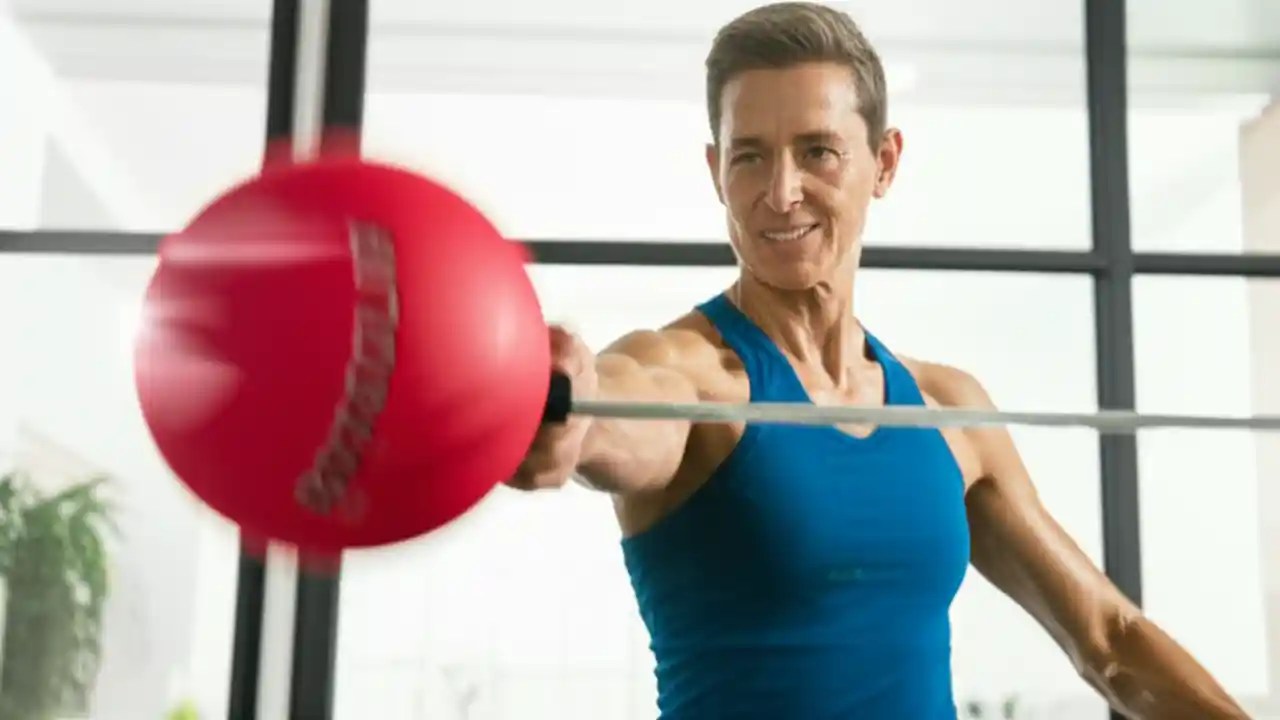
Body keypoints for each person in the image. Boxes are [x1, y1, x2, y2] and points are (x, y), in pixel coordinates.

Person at [507, 3, 1248, 718]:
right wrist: (563, 412)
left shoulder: (947, 409)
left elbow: (1111, 645)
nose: (781, 192)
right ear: (715, 172)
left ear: (883, 162)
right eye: (750, 156)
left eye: (817, 152)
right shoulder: (693, 375)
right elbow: (615, 410)